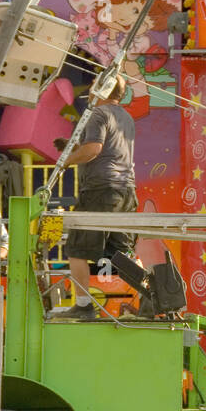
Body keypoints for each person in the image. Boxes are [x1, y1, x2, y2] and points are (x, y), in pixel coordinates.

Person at [49, 74, 138, 321]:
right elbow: (106, 149)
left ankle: (83, 304)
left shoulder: (98, 115)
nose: (90, 91)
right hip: (126, 191)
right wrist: (71, 147)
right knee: (122, 253)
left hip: (100, 190)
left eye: (93, 86)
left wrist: (65, 161)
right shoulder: (126, 117)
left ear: (102, 89)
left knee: (77, 248)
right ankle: (153, 296)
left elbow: (93, 150)